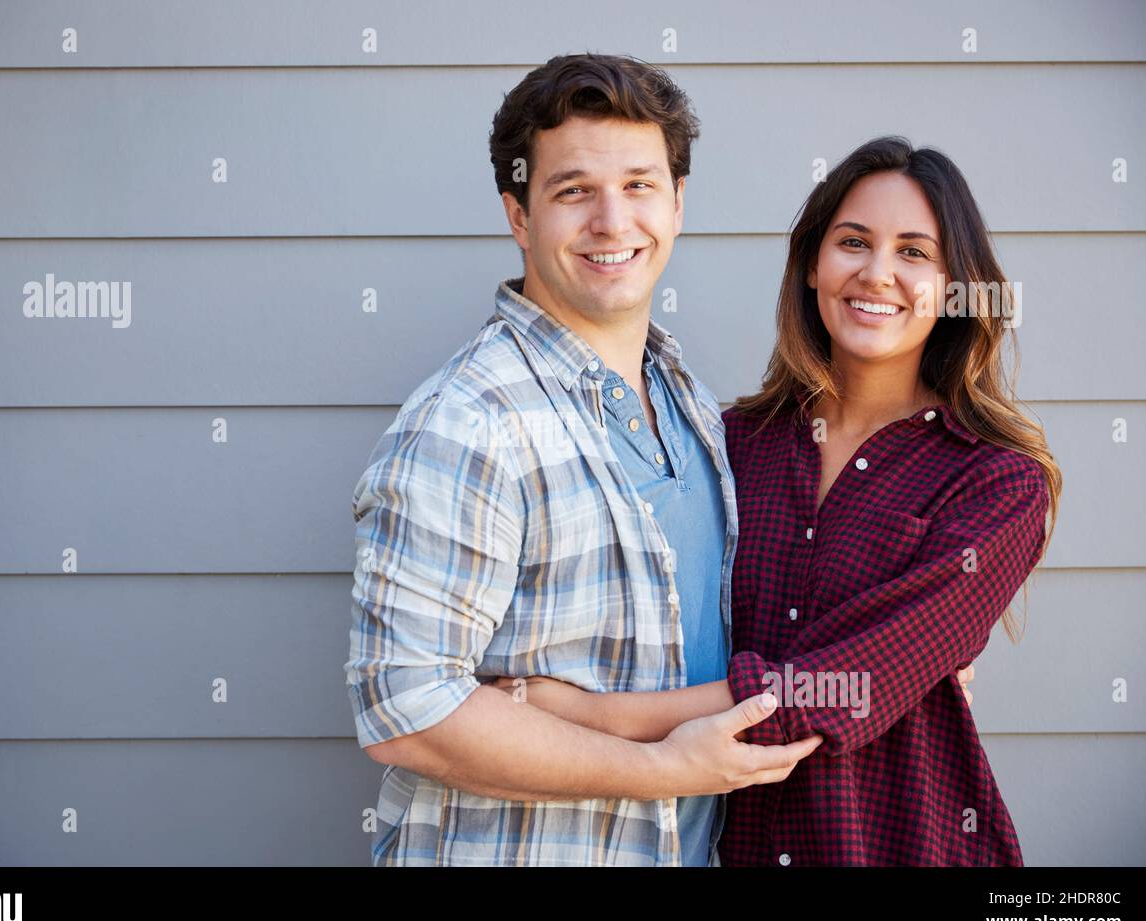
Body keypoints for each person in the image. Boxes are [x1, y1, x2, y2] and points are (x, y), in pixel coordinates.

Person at [506, 136, 1062, 866]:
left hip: (892, 844)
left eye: (914, 253)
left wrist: (592, 717)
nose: (877, 272)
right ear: (811, 264)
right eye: (853, 242)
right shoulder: (725, 442)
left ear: (954, 288)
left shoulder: (995, 483)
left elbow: (849, 686)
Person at [343, 52, 823, 866]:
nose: (612, 221)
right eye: (573, 191)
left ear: (678, 203)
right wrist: (655, 769)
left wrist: (916, 659)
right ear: (519, 215)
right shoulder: (470, 420)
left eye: (639, 185)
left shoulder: (693, 407)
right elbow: (407, 708)